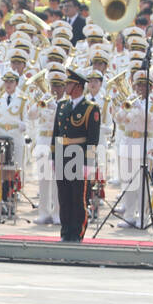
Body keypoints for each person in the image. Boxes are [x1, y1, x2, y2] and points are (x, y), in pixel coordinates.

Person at [50, 69, 101, 244]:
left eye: (69, 84)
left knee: (78, 198)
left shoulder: (90, 108)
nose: (65, 87)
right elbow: (56, 133)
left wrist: (89, 162)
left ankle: (77, 233)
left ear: (78, 86)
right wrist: (53, 157)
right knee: (63, 197)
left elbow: (93, 138)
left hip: (79, 155)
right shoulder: (62, 105)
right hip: (62, 155)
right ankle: (65, 232)